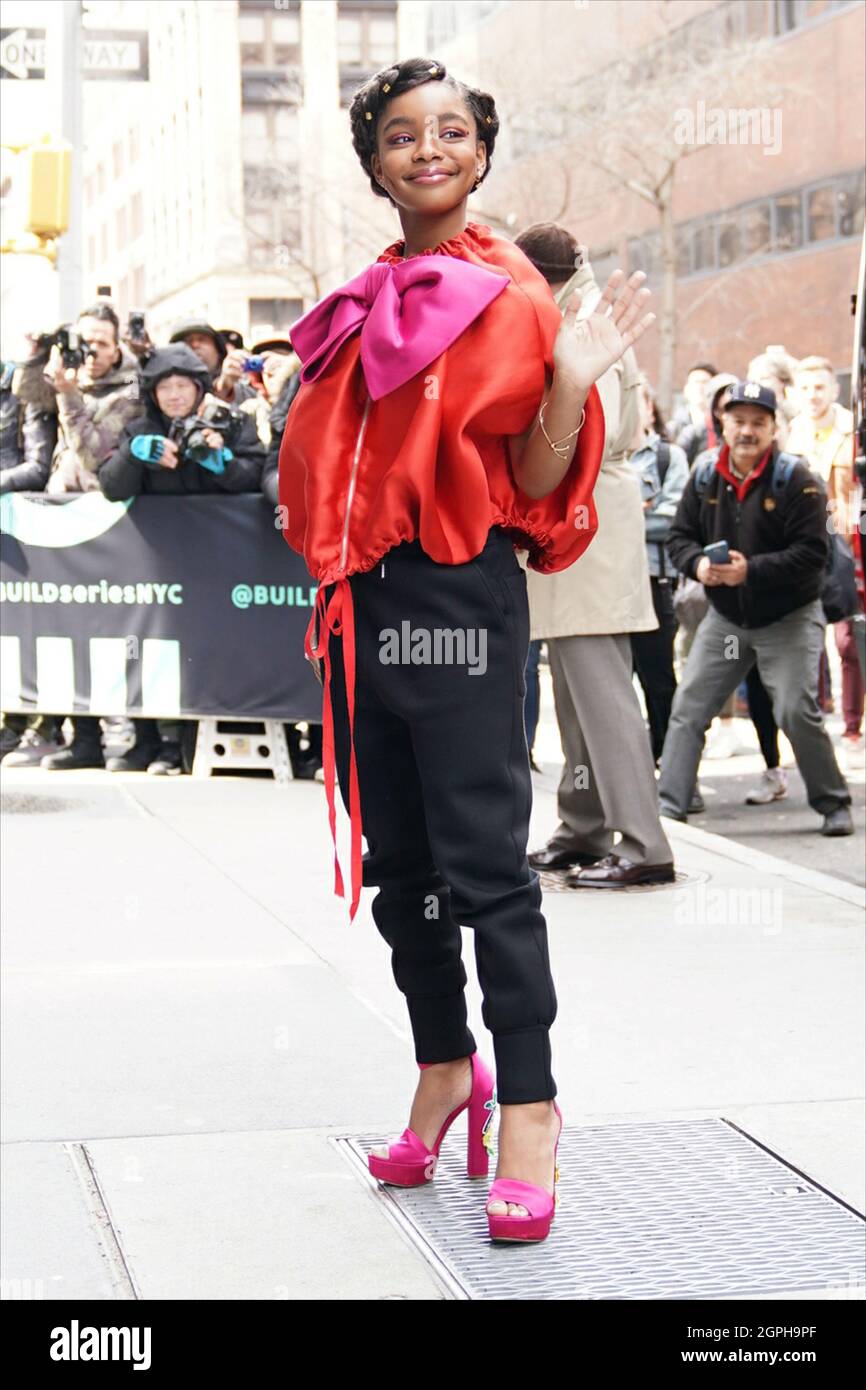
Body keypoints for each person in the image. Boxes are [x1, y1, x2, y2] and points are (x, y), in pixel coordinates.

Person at [277, 57, 654, 1243]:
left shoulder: (512, 296)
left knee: (487, 873)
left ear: (480, 154)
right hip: (357, 612)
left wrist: (570, 385)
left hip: (456, 598)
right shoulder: (355, 300)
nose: (425, 149)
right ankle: (447, 1071)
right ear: (374, 161)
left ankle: (529, 1106)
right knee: (402, 875)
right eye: (400, 133)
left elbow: (538, 489)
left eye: (450, 131)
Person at [515, 224, 674, 889]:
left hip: (585, 514)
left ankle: (643, 842)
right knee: (576, 694)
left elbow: (583, 432)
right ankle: (582, 827)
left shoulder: (576, 322)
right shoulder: (573, 314)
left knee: (602, 693)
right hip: (577, 519)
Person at [658, 381, 853, 837]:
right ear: (723, 423)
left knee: (794, 709)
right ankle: (670, 807)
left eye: (758, 423)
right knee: (690, 706)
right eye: (738, 420)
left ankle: (833, 803)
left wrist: (753, 571)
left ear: (773, 428)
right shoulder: (704, 474)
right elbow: (678, 538)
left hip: (788, 617)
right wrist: (699, 563)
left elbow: (813, 554)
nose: (747, 431)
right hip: (726, 619)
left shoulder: (798, 479)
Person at [99, 344, 266, 773]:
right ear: (153, 393)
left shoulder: (230, 423)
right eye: (165, 388)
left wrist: (219, 460)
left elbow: (253, 475)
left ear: (198, 388)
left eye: (182, 386)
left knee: (210, 650)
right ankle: (149, 740)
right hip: (154, 564)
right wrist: (133, 456)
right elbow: (111, 487)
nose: (174, 396)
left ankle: (186, 743)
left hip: (218, 564)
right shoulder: (136, 428)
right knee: (148, 650)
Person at [10, 302, 151, 771]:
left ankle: (144, 738)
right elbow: (28, 395)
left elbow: (94, 455)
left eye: (102, 344)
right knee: (65, 630)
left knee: (121, 631)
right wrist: (37, 357)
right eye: (83, 341)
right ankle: (83, 739)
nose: (91, 352)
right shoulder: (65, 373)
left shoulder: (132, 388)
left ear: (116, 349)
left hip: (111, 519)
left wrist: (68, 395)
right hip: (60, 513)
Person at [787, 356, 863, 755]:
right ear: (795, 393)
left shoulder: (854, 431)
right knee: (807, 633)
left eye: (819, 387)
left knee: (848, 639)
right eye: (805, 388)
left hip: (847, 541)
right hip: (804, 544)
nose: (813, 395)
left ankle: (853, 726)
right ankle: (815, 717)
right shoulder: (789, 434)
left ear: (834, 389)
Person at [628, 377, 689, 763]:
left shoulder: (669, 457)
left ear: (650, 409)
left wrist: (618, 519)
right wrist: (639, 513)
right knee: (617, 681)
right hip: (608, 583)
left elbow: (670, 523)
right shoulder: (600, 456)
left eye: (638, 402)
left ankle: (666, 758)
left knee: (659, 678)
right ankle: (629, 763)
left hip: (653, 579)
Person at [168, 319, 257, 406]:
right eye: (187, 341)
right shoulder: (163, 393)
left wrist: (225, 389)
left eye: (202, 340)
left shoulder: (240, 391)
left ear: (218, 352)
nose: (195, 345)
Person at [670, 362, 716, 450]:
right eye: (696, 383)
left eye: (705, 383)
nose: (700, 387)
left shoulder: (722, 427)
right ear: (686, 390)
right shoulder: (674, 429)